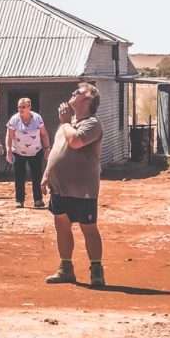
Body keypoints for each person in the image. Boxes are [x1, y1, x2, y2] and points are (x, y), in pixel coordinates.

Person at [41, 82, 105, 288]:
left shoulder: (92, 123)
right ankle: (65, 268)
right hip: (60, 187)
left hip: (83, 189)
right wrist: (46, 174)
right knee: (61, 226)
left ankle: (96, 270)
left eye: (78, 92)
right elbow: (56, 151)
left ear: (88, 100)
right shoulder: (66, 124)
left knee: (89, 228)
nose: (73, 93)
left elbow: (76, 142)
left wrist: (66, 122)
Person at [6, 98, 51, 208]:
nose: (20, 109)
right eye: (19, 107)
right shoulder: (14, 119)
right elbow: (9, 135)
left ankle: (38, 200)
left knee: (37, 176)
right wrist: (8, 150)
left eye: (23, 107)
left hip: (36, 151)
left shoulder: (37, 118)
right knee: (19, 176)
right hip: (18, 152)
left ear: (29, 107)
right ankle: (19, 200)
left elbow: (44, 134)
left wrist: (47, 148)